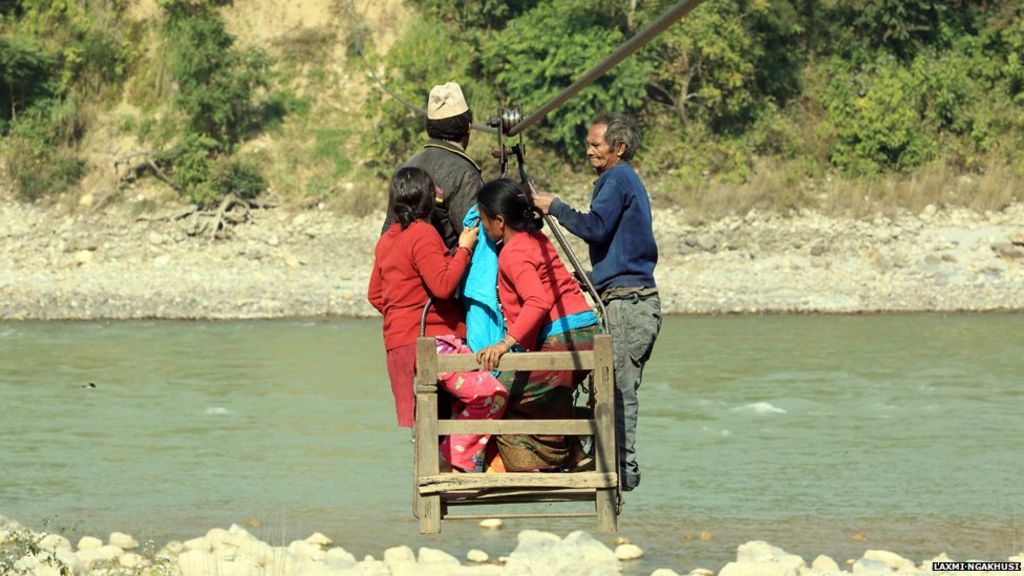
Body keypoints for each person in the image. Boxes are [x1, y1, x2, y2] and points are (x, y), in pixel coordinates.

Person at [533, 112, 661, 491]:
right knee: (614, 384)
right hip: (627, 297)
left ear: (617, 148)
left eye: (596, 145)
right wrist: (589, 279)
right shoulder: (626, 180)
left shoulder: (616, 178)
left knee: (619, 386)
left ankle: (623, 467)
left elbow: (596, 227)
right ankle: (613, 460)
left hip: (628, 303)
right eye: (588, 144)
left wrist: (554, 206)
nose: (589, 151)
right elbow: (621, 247)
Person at [368, 167, 507, 472]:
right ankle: (454, 460)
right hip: (432, 344)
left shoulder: (388, 240)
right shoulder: (422, 233)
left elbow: (376, 296)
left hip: (398, 345)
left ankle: (444, 458)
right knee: (491, 394)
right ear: (428, 198)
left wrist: (404, 312)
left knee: (432, 414)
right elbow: (443, 286)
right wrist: (464, 250)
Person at [474, 178, 600, 472]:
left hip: (561, 338)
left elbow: (537, 302)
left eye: (483, 220)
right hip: (587, 333)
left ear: (499, 221)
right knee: (551, 393)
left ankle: (487, 463)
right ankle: (575, 454)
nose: (482, 227)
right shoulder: (537, 240)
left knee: (501, 393)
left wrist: (505, 343)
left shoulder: (513, 253)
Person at [382, 81, 483, 251]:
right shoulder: (465, 174)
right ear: (468, 128)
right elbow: (475, 239)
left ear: (429, 128)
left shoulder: (405, 168)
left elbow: (388, 233)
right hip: (447, 274)